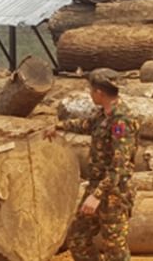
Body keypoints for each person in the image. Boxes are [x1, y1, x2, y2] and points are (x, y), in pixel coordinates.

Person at [47, 68, 139, 261]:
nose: (90, 94)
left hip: (114, 193)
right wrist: (59, 126)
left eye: (91, 90)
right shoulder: (104, 115)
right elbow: (87, 125)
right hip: (97, 187)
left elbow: (120, 166)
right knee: (78, 238)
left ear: (99, 92)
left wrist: (97, 196)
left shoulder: (121, 120)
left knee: (114, 248)